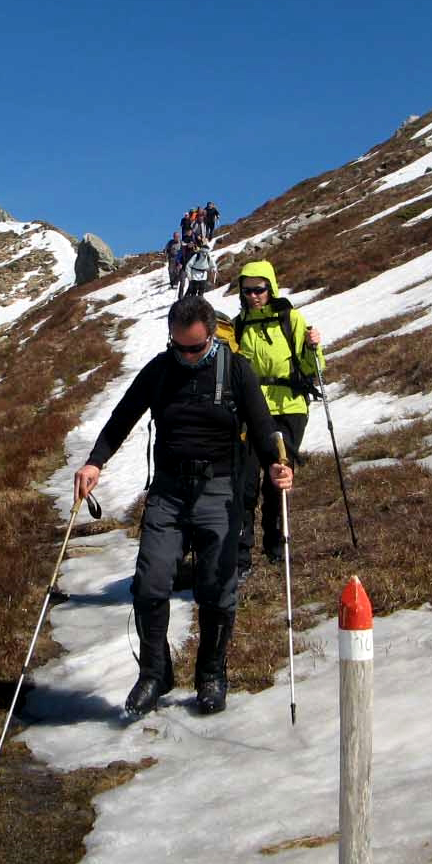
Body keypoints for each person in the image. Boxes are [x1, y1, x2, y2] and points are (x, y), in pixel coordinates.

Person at [74, 295, 294, 716]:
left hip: (220, 490)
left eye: (194, 348)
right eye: (179, 346)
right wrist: (94, 462)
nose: (187, 355)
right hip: (169, 491)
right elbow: (122, 418)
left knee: (216, 588)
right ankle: (155, 673)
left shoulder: (236, 370)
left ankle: (211, 674)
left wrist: (277, 466)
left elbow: (264, 429)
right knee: (150, 583)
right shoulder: (160, 369)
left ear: (212, 336)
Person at [232, 260, 323, 569]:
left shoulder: (291, 318)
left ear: (270, 287)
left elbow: (311, 368)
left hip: (289, 407)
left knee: (276, 480)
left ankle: (275, 545)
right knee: (245, 481)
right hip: (254, 409)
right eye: (248, 291)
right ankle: (241, 552)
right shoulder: (239, 325)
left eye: (259, 289)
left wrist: (313, 348)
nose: (253, 296)